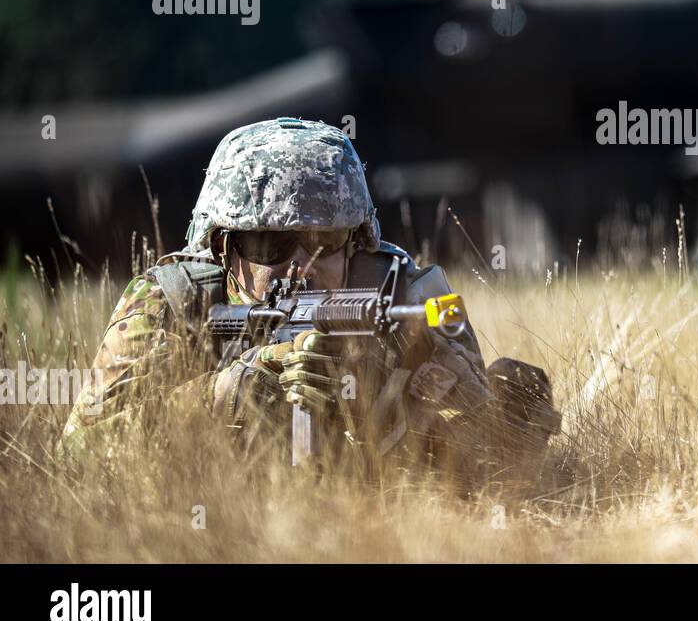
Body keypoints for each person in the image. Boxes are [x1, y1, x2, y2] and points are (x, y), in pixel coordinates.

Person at [59, 117, 560, 481]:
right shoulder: (174, 300)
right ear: (223, 246)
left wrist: (387, 396)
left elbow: (490, 461)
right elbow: (79, 458)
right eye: (271, 245)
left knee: (518, 389)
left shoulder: (407, 293)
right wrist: (223, 397)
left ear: (356, 241)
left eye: (325, 241)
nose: (302, 265)